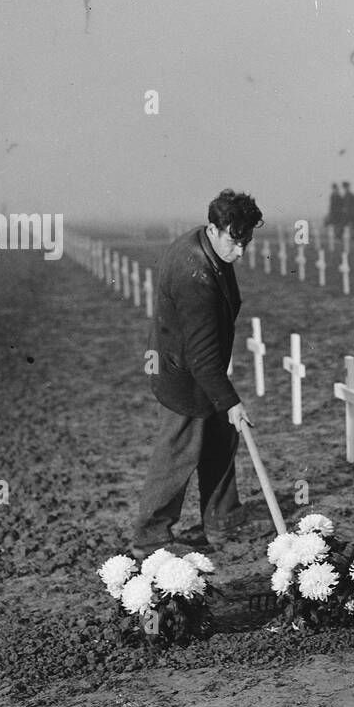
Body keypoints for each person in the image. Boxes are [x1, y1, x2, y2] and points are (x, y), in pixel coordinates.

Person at [132, 189, 264, 558]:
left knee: (222, 438)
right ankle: (151, 535)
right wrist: (232, 402)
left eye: (247, 242)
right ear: (214, 228)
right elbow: (202, 357)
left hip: (199, 364)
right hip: (183, 373)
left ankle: (223, 520)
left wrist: (226, 405)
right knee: (179, 450)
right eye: (236, 243)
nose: (242, 252)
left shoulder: (207, 247)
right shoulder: (195, 276)